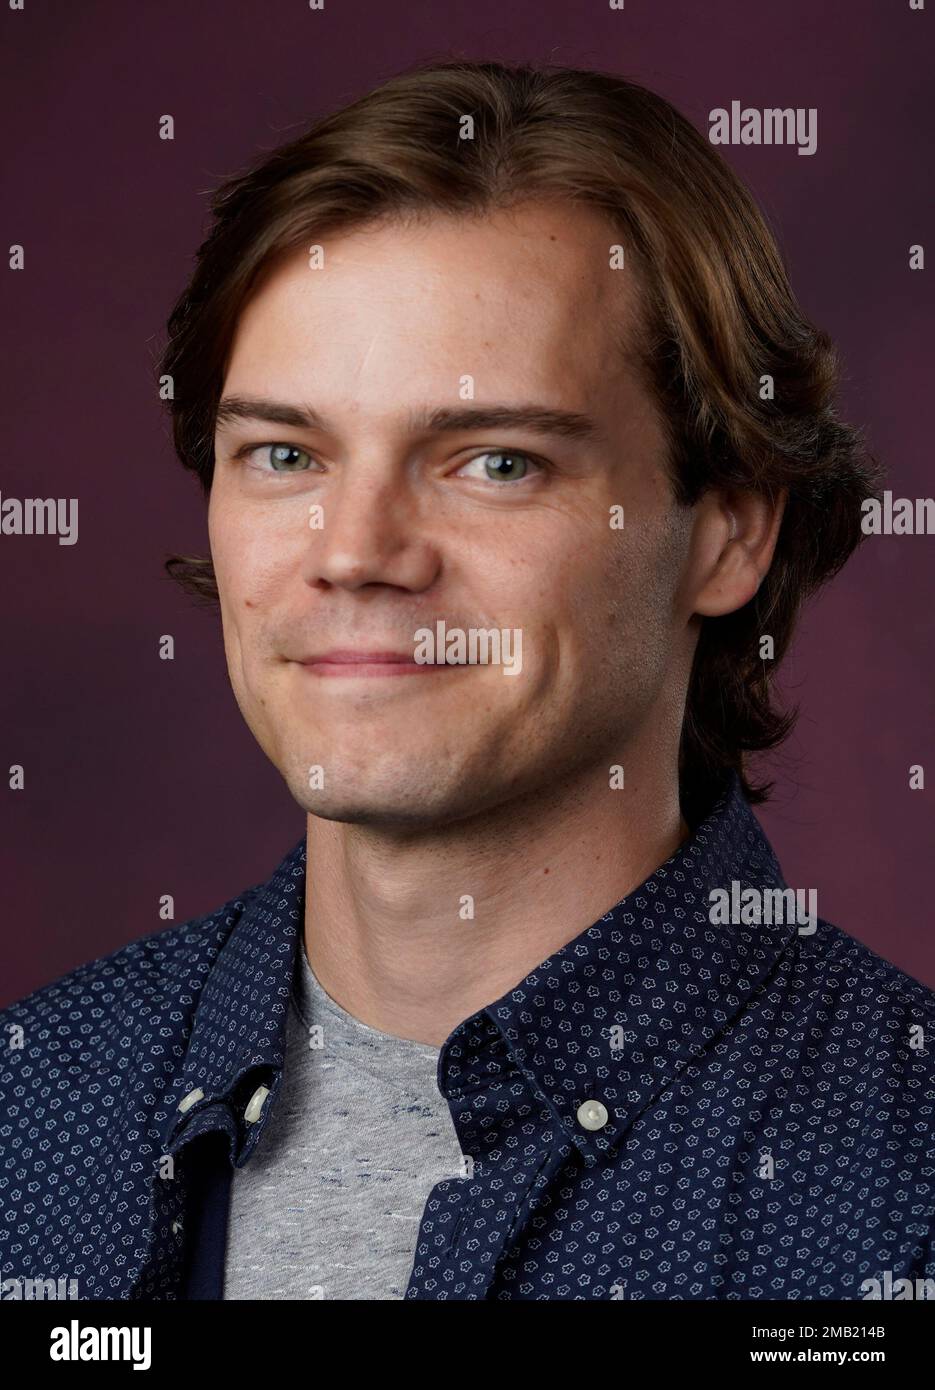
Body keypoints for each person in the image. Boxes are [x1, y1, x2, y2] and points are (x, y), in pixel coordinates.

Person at [2, 60, 932, 1303]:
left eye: (493, 461)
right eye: (285, 453)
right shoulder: (32, 1107)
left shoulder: (902, 1184)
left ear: (727, 532)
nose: (354, 552)